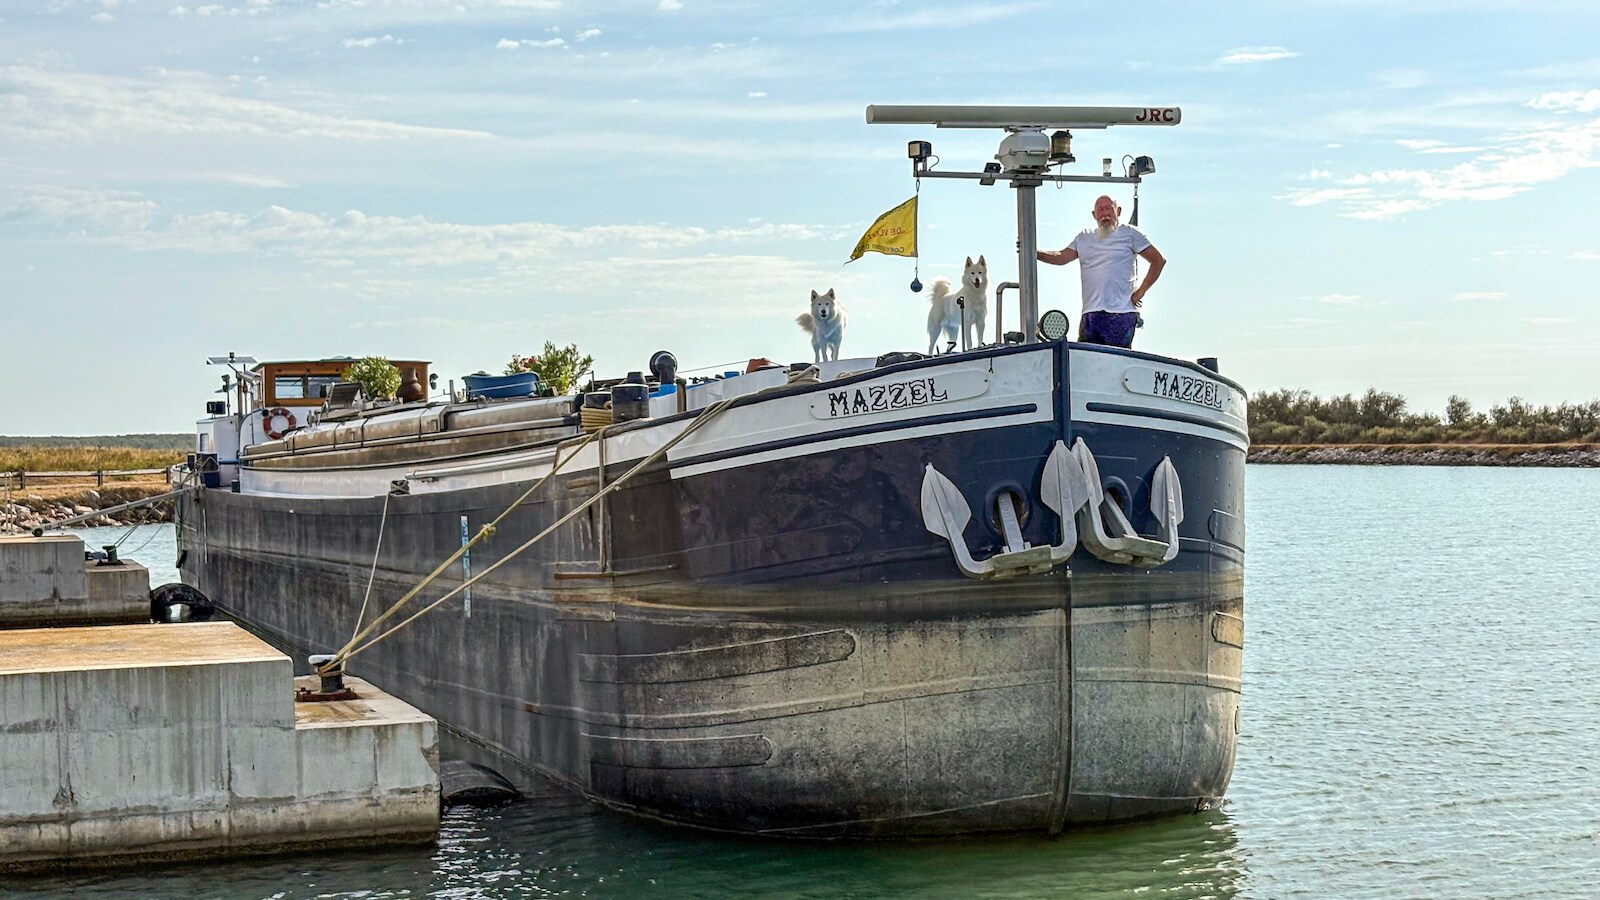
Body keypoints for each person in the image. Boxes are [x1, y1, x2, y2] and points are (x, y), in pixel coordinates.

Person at [1036, 195, 1166, 348]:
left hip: (1120, 313)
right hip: (1091, 313)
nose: (1105, 214)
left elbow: (1158, 260)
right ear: (1094, 215)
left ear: (1118, 211)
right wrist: (1034, 252)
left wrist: (1141, 291)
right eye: (1100, 210)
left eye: (1109, 209)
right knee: (1086, 360)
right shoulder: (1084, 237)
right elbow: (1062, 257)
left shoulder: (1129, 234)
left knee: (1115, 360)